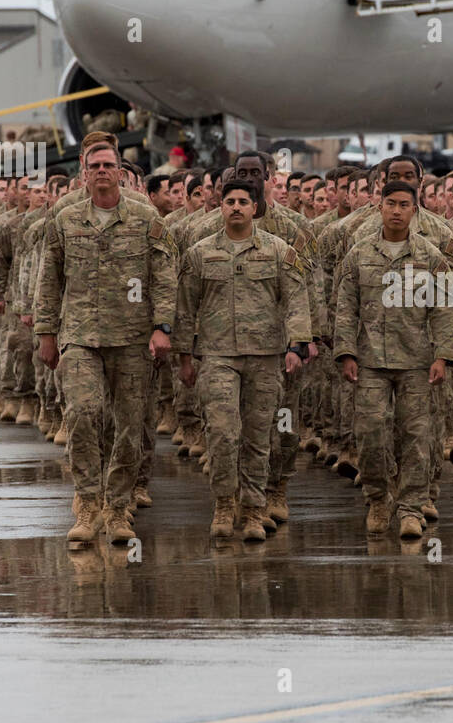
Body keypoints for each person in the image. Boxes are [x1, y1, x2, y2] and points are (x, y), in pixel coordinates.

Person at [35, 139, 177, 544]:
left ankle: (117, 508)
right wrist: (46, 333)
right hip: (80, 336)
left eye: (108, 165)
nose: (101, 171)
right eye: (94, 165)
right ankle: (87, 502)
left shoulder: (146, 218)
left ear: (119, 171)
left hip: (132, 338)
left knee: (130, 427)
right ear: (84, 170)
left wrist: (162, 327)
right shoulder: (65, 219)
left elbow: (165, 278)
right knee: (82, 413)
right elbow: (49, 280)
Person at [177, 176, 312, 541]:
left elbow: (297, 300)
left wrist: (297, 345)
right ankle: (224, 502)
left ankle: (253, 510)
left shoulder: (279, 251)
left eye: (243, 202)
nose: (236, 207)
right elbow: (185, 308)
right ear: (221, 207)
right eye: (230, 201)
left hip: (265, 357)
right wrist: (184, 358)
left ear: (256, 208)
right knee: (222, 432)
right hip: (217, 355)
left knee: (258, 437)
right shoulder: (200, 253)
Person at [334, 179, 453, 539]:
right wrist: (345, 353)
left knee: (418, 438)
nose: (397, 210)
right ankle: (377, 499)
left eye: (405, 204)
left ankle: (411, 508)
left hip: (417, 362)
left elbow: (444, 309)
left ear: (414, 210)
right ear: (380, 207)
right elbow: (344, 307)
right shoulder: (359, 254)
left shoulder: (430, 257)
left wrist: (443, 356)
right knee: (371, 435)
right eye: (391, 203)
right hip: (370, 360)